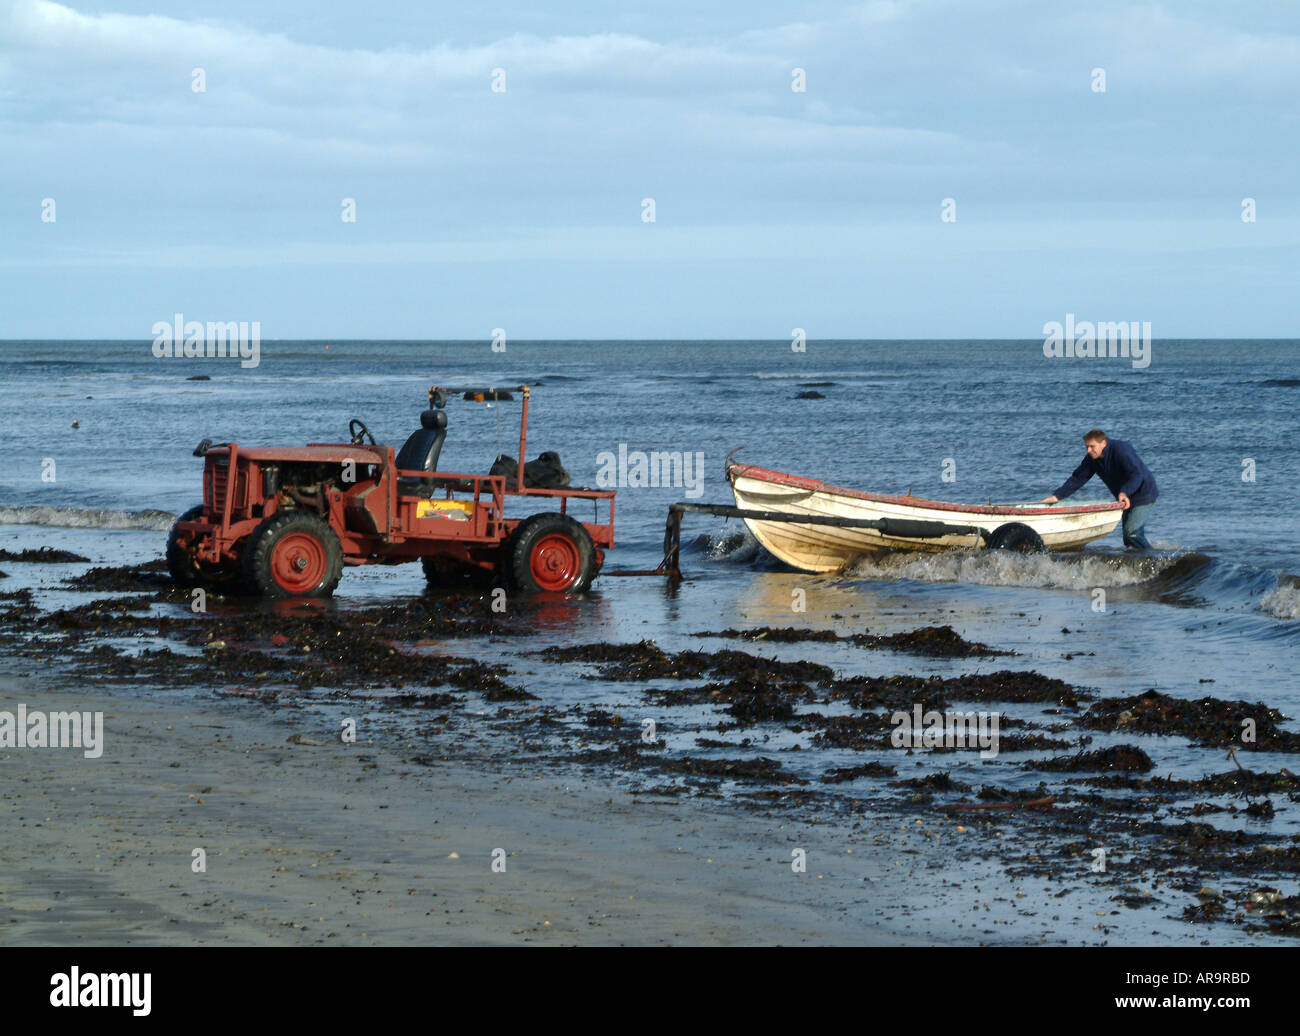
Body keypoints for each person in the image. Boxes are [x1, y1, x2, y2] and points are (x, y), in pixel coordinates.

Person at [1040, 429, 1157, 550]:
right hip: (1124, 498)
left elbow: (1137, 474)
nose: (1089, 450)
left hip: (1144, 493)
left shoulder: (1121, 450)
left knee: (1132, 533)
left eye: (1092, 446)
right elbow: (1078, 478)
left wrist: (1124, 492)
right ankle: (1139, 562)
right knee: (1128, 539)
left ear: (1103, 443)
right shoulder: (1092, 459)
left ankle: (1155, 557)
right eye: (1087, 447)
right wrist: (1056, 496)